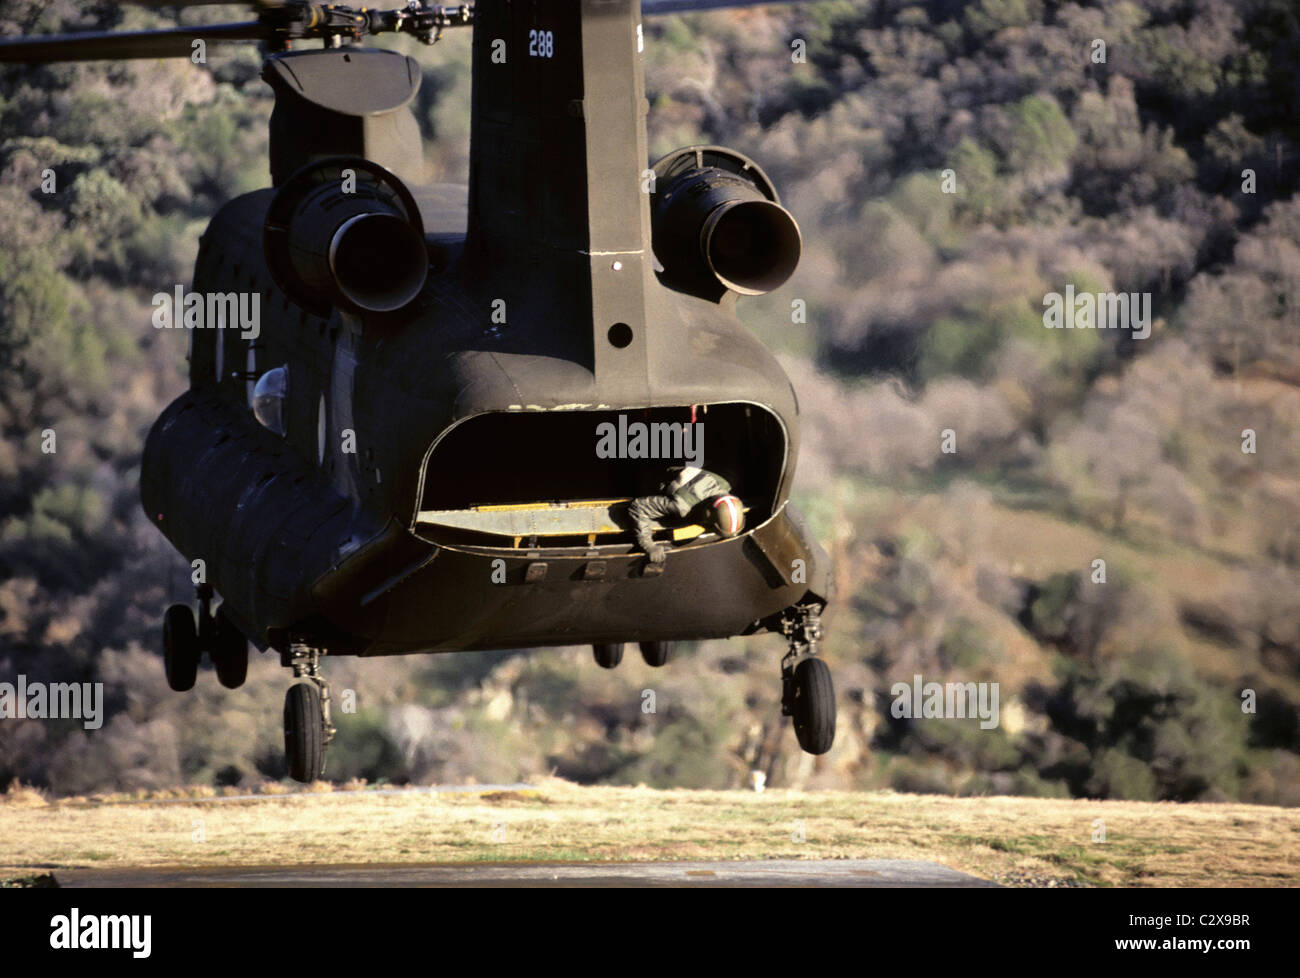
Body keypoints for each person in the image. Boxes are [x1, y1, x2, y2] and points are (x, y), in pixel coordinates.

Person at [626, 466, 745, 563]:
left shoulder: (726, 482)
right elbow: (638, 507)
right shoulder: (682, 507)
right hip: (659, 475)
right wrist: (648, 544)